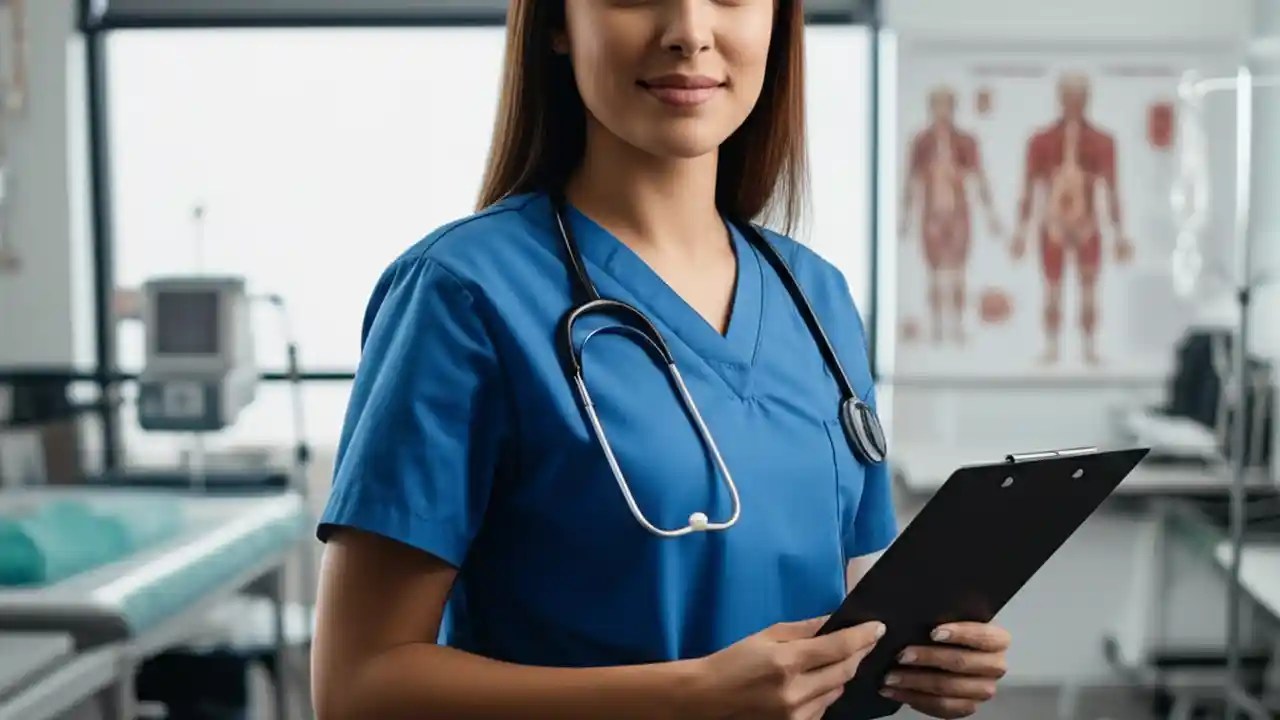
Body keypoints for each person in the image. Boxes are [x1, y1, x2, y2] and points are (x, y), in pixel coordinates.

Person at [311, 2, 1012, 719]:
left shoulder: (816, 297)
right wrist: (688, 697)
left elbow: (854, 604)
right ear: (557, 23)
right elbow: (358, 686)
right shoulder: (462, 293)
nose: (689, 31)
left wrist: (927, 659)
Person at [1012, 72, 1133, 366]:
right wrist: (1021, 231)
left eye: (1080, 97)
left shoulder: (1103, 142)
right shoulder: (1040, 141)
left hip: (1087, 224)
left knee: (1089, 289)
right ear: (1060, 98)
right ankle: (1052, 347)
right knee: (1052, 290)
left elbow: (1112, 190)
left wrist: (1119, 235)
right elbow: (1029, 189)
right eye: (1069, 96)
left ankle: (1089, 348)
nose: (1074, 103)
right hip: (1052, 224)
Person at [900, 85, 1002, 346]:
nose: (942, 111)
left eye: (947, 105)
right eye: (938, 105)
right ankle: (937, 328)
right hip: (932, 213)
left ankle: (956, 326)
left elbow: (980, 180)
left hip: (958, 213)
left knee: (957, 273)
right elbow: (910, 182)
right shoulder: (922, 142)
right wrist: (905, 218)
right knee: (935, 273)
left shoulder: (965, 142)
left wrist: (991, 216)